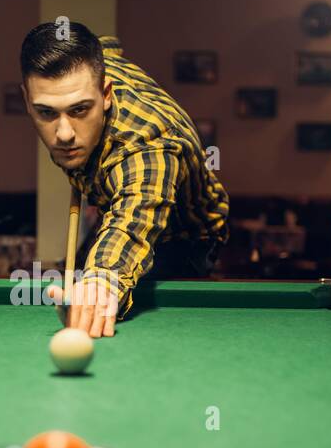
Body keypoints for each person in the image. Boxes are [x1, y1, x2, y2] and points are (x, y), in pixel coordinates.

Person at [19, 22, 229, 337]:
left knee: (100, 282)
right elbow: (108, 45)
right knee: (75, 274)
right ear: (27, 101)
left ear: (105, 94)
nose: (63, 134)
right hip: (112, 206)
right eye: (47, 113)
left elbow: (133, 218)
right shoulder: (91, 64)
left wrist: (102, 278)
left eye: (80, 110)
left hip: (187, 236)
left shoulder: (148, 145)